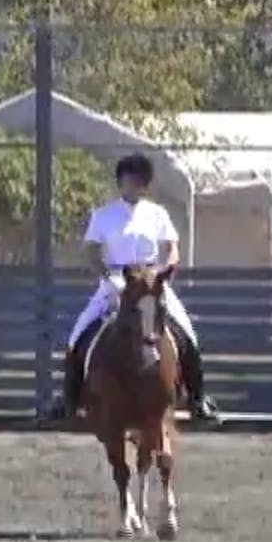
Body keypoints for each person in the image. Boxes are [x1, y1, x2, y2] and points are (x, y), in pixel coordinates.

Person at [42, 153, 219, 422]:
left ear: (145, 185)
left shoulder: (157, 214)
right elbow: (90, 251)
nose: (134, 186)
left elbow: (172, 249)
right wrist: (106, 276)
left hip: (151, 282)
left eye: (139, 181)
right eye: (129, 180)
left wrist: (164, 273)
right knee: (78, 335)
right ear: (120, 182)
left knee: (188, 335)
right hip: (116, 280)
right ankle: (68, 399)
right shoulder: (103, 215)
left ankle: (198, 399)